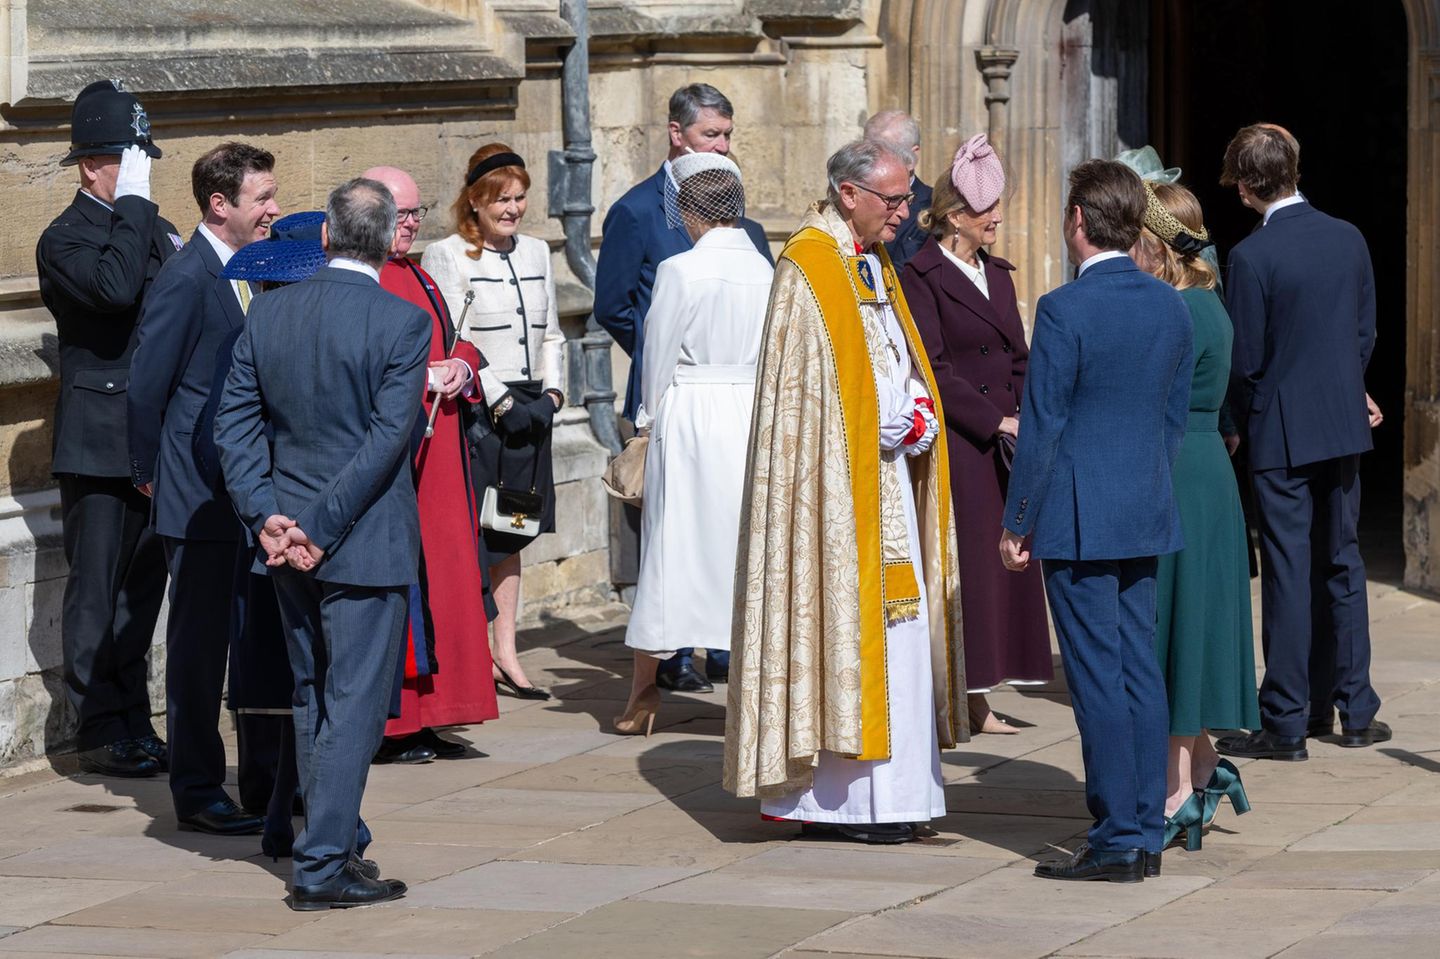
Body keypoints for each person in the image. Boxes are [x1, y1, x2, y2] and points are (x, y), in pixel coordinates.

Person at [724, 138, 966, 846]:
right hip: (832, 499)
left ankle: (900, 795)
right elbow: (807, 402)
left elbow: (888, 357)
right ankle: (847, 806)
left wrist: (916, 411)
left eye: (908, 197)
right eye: (892, 199)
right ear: (848, 193)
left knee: (904, 638)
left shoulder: (872, 260)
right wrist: (888, 416)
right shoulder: (810, 266)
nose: (905, 211)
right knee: (848, 635)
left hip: (884, 477)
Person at [215, 177, 424, 910]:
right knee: (353, 705)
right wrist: (316, 528)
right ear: (389, 241)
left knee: (312, 695)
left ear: (327, 237)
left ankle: (332, 843)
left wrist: (268, 515)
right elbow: (384, 444)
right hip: (357, 541)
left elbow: (232, 426)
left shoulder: (270, 313)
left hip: (286, 541)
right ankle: (323, 863)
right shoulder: (402, 323)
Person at [999, 159, 1191, 883]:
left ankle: (1116, 837)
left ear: (1079, 222)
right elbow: (1172, 422)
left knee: (1097, 676)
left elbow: (1043, 425)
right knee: (1138, 666)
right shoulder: (1170, 304)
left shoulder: (1063, 308)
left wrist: (1018, 520)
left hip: (1078, 514)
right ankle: (1144, 827)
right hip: (1142, 506)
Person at [1214, 124, 1388, 762]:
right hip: (1341, 422)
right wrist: (1347, 389)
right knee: (1342, 563)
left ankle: (1287, 721)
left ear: (1244, 187)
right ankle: (1356, 709)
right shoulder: (1348, 237)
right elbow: (1364, 332)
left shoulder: (1252, 256)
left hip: (1282, 430)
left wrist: (1243, 417)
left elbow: (1247, 359)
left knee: (1290, 570)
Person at [594, 82, 774, 694]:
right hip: (669, 390)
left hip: (731, 395)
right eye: (710, 135)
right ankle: (669, 654)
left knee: (729, 519)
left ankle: (725, 645)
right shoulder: (636, 210)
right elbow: (614, 305)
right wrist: (662, 364)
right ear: (678, 134)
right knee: (670, 526)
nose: (722, 145)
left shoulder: (741, 224)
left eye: (727, 135)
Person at [127, 142, 280, 835]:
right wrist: (151, 473)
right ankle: (196, 788)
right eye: (262, 199)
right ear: (220, 205)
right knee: (197, 651)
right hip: (197, 499)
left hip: (244, 494)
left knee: (250, 645)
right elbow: (146, 386)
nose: (274, 208)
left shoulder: (252, 271)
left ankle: (261, 779)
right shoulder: (188, 277)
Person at [36, 80, 176, 778]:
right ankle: (97, 725)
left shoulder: (145, 222)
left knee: (140, 590)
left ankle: (135, 719)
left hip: (151, 433)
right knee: (98, 586)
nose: (141, 171)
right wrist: (137, 207)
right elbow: (117, 290)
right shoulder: (66, 237)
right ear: (94, 165)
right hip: (98, 438)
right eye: (130, 157)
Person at [901, 134, 1053, 736]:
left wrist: (1026, 415)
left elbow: (1018, 353)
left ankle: (983, 692)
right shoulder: (922, 275)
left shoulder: (999, 273)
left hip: (1010, 444)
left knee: (1007, 568)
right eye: (986, 210)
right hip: (963, 443)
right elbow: (931, 366)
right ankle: (966, 697)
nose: (997, 219)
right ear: (956, 216)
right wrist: (993, 420)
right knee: (971, 567)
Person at [1130, 181, 1258, 851]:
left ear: (1153, 244)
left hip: (1180, 469)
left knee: (1173, 629)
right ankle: (1205, 763)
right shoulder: (1205, 303)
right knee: (1184, 624)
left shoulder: (1176, 309)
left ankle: (1178, 787)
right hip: (1203, 469)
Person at [364, 165, 500, 763]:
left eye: (418, 212)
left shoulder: (419, 274)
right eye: (400, 213)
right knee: (408, 586)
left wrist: (461, 368)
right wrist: (423, 375)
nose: (412, 223)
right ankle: (399, 724)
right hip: (402, 458)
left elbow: (455, 341)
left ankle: (436, 711)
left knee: (444, 583)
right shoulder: (361, 278)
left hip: (443, 453)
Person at [421, 144, 560, 702]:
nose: (513, 209)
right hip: (481, 406)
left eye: (520, 197)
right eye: (501, 199)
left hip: (534, 405)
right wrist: (501, 401)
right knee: (480, 532)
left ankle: (507, 651)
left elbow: (552, 331)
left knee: (515, 531)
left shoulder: (538, 252)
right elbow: (456, 340)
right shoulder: (448, 254)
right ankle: (472, 653)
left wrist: (552, 393)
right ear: (475, 201)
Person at [216, 211, 331, 861]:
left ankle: (282, 815)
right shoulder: (285, 331)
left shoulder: (261, 325)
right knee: (309, 680)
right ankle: (300, 817)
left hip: (270, 527)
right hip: (292, 530)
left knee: (298, 679)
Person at [865, 110, 931, 271]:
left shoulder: (934, 207)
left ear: (912, 157)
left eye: (885, 153)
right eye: (867, 152)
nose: (872, 163)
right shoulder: (855, 198)